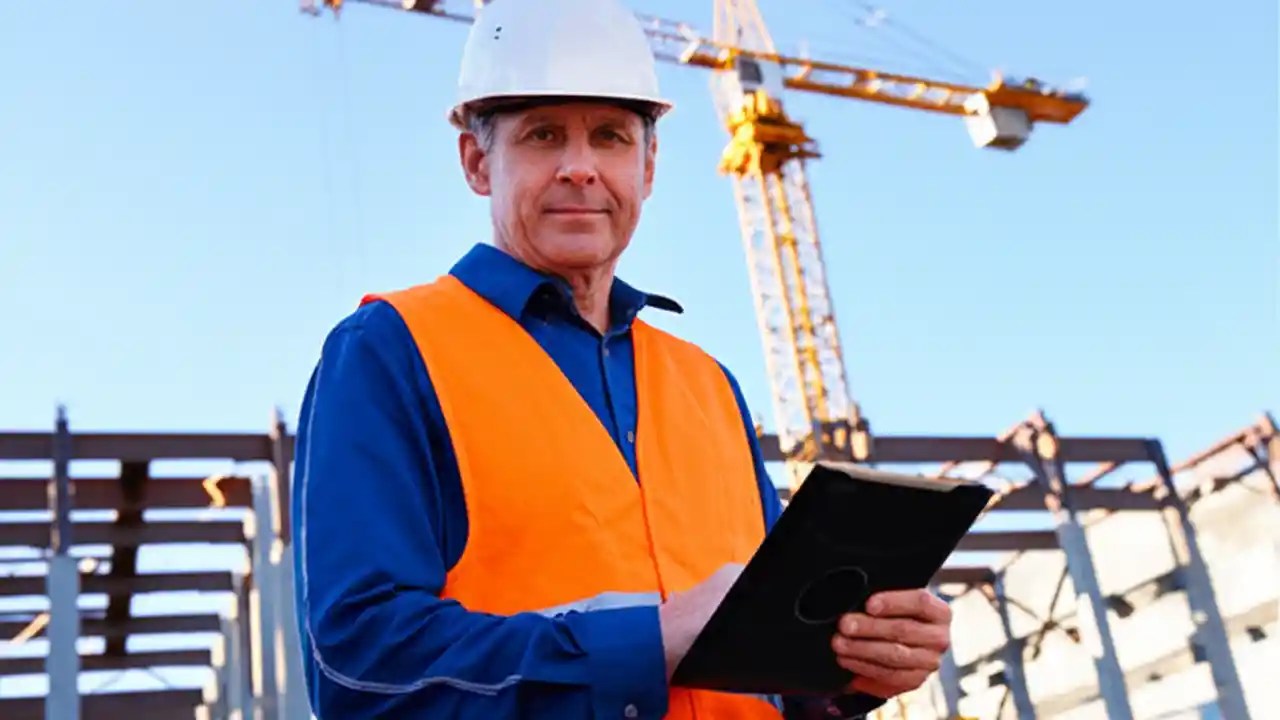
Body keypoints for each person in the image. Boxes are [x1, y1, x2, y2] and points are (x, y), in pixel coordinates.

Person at [290, 0, 954, 717]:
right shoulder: (391, 350)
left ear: (649, 164)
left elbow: (767, 662)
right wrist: (654, 640)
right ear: (478, 162)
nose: (580, 168)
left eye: (609, 136)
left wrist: (852, 665)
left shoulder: (707, 385)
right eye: (543, 135)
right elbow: (359, 668)